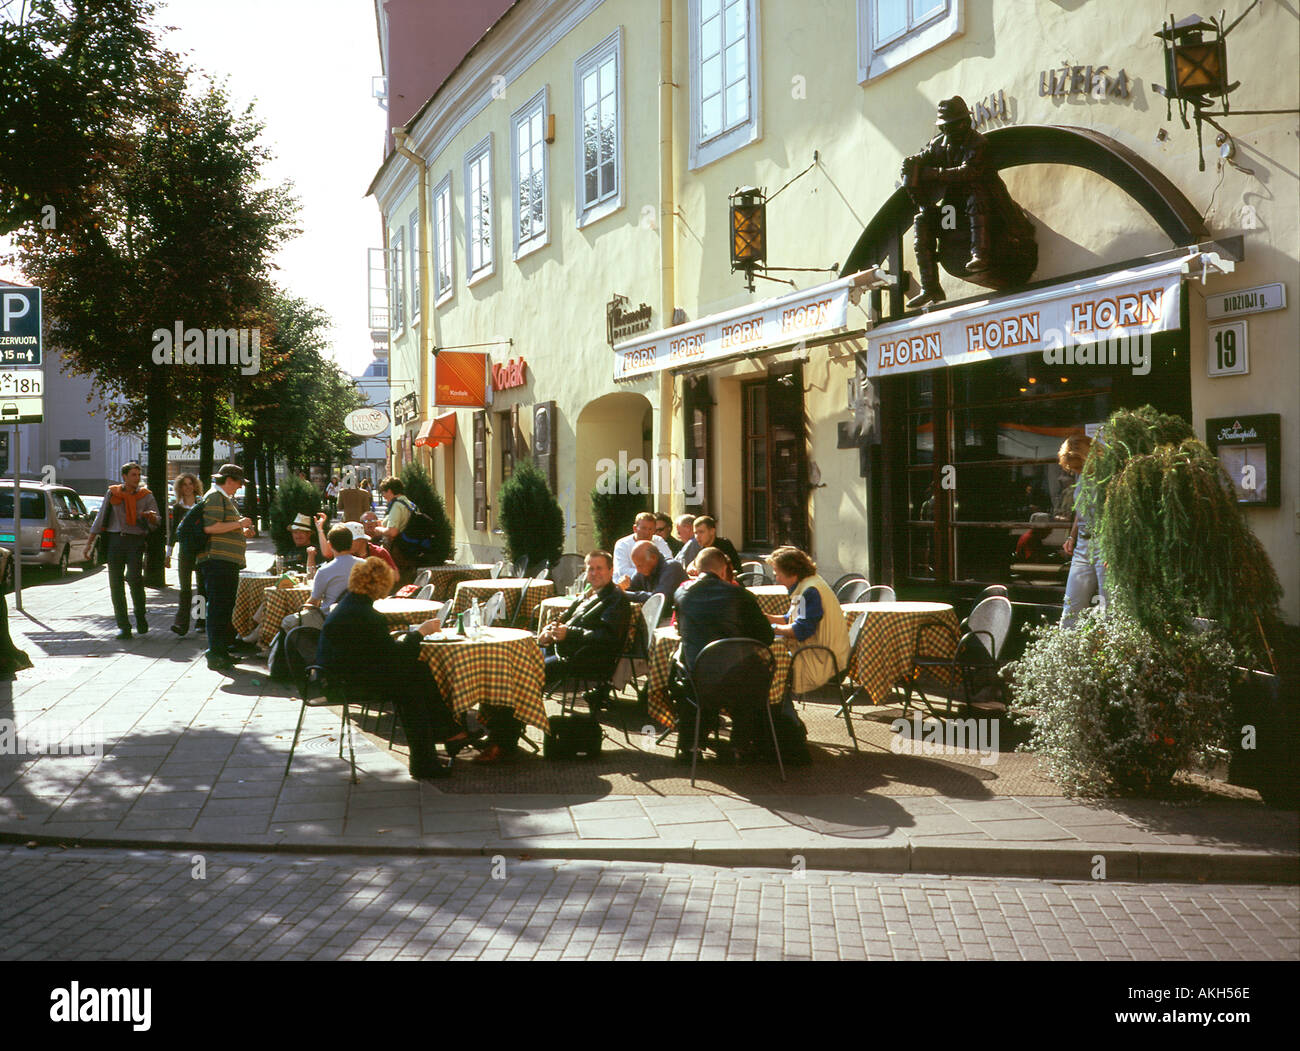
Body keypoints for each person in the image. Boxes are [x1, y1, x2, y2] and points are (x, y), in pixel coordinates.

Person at [315, 557, 469, 779]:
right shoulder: (368, 615)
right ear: (381, 585)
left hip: (334, 676)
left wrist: (410, 639)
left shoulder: (349, 606)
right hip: (345, 684)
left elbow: (382, 653)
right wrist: (420, 633)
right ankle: (433, 750)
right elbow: (394, 657)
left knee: (416, 672)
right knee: (412, 683)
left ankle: (445, 736)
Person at [670, 547, 773, 762]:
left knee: (682, 669)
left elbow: (680, 628)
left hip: (697, 678)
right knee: (755, 677)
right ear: (725, 568)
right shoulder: (740, 595)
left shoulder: (682, 593)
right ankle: (741, 745)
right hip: (739, 677)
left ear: (696, 569)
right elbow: (766, 636)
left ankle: (690, 745)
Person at [532, 550, 631, 727]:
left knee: (528, 671)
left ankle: (509, 731)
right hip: (567, 649)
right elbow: (564, 618)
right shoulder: (590, 594)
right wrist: (549, 630)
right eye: (590, 568)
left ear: (610, 570)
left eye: (599, 568)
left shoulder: (615, 599)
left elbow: (608, 637)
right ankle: (509, 723)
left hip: (589, 659)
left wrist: (569, 633)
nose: (594, 573)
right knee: (515, 661)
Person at [85, 462, 162, 641]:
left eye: (138, 475)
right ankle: (123, 626)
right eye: (133, 475)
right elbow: (100, 517)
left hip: (135, 540)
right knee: (116, 584)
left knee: (135, 579)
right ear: (124, 477)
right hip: (115, 541)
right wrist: (88, 544)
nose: (137, 478)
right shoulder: (113, 493)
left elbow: (157, 520)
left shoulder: (146, 496)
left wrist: (151, 517)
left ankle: (140, 616)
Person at [196, 464, 256, 672]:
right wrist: (239, 524)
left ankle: (221, 652)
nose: (239, 487)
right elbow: (210, 527)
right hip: (217, 560)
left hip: (225, 560)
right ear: (229, 480)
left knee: (222, 608)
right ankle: (215, 653)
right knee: (218, 608)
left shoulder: (223, 498)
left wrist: (242, 531)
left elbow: (223, 527)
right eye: (239, 483)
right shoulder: (215, 497)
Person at [766, 546, 849, 695]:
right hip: (825, 654)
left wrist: (770, 627)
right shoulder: (807, 584)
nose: (776, 578)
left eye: (777, 573)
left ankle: (779, 710)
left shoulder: (809, 591)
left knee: (766, 667)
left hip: (823, 660)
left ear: (792, 573)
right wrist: (764, 617)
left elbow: (801, 631)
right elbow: (791, 619)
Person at [1059, 435, 1106, 628]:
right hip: (1082, 545)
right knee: (1071, 605)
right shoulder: (1081, 475)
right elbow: (1081, 509)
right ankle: (1065, 653)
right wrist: (1072, 535)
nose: (1075, 471)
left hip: (1104, 543)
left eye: (1078, 467)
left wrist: (1114, 547)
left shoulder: (1108, 475)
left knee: (1110, 606)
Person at [165, 472, 205, 636]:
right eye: (184, 485)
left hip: (202, 549)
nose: (188, 487)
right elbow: (174, 531)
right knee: (185, 588)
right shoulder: (177, 507)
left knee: (201, 588)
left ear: (195, 486)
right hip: (185, 550)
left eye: (191, 484)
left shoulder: (202, 504)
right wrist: (168, 554)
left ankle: (200, 621)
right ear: (180, 488)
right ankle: (181, 624)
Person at [317, 512, 397, 579]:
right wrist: (320, 530)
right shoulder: (345, 552)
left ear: (361, 540)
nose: (346, 543)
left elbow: (396, 576)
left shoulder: (379, 552)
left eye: (350, 540)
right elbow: (327, 553)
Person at [304, 523, 363, 614]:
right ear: (351, 543)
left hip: (329, 618)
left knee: (288, 621)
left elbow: (313, 602)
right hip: (360, 615)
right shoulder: (366, 565)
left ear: (330, 545)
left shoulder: (324, 571)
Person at [619, 540, 687, 618]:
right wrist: (620, 588)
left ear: (653, 558)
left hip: (674, 619)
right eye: (636, 566)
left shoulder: (672, 567)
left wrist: (623, 594)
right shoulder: (643, 570)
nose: (637, 570)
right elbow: (629, 591)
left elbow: (657, 600)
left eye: (640, 566)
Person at [612, 511, 674, 581]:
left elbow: (669, 562)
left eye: (650, 529)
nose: (647, 533)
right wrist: (649, 572)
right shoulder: (623, 544)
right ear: (635, 528)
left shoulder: (659, 541)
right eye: (643, 528)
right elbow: (623, 571)